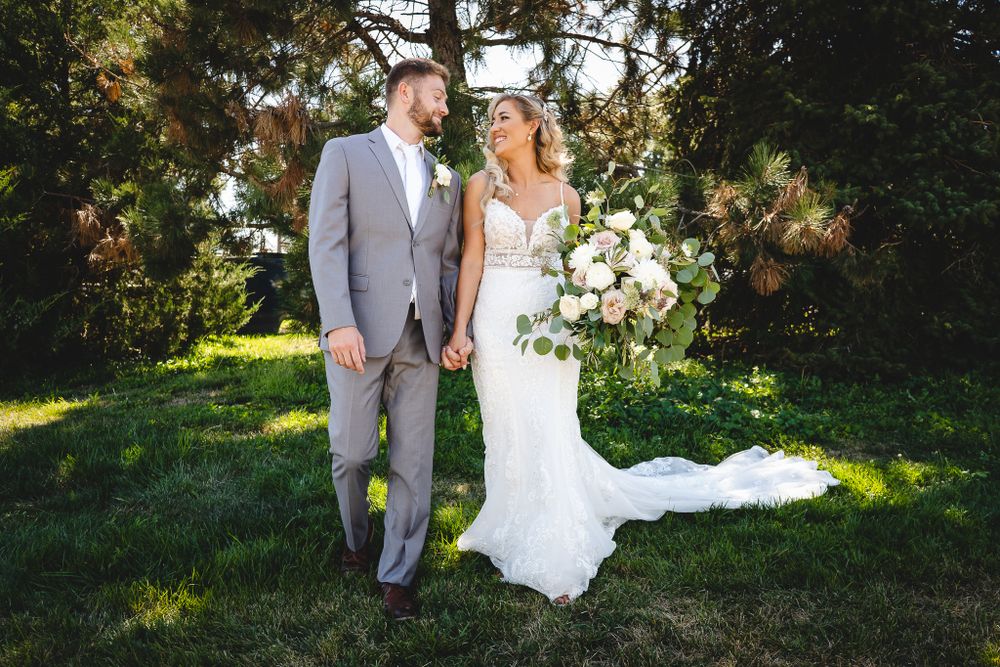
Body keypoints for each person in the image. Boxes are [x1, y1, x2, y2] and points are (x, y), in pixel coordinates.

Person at [446, 94, 840, 605]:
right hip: (497, 322)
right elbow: (472, 259)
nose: (493, 127)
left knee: (550, 423)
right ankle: (508, 528)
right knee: (504, 426)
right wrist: (460, 330)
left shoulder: (566, 196)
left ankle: (556, 544)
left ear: (532, 126)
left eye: (503, 118)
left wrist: (608, 292)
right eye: (491, 120)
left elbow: (571, 269)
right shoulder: (480, 186)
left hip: (550, 326)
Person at [308, 57, 473, 621]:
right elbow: (326, 242)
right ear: (406, 93)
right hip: (357, 329)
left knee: (414, 460)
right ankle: (357, 538)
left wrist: (455, 330)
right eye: (438, 95)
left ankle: (397, 574)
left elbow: (447, 262)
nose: (444, 106)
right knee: (351, 453)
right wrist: (337, 321)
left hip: (421, 336)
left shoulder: (446, 177)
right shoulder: (346, 153)